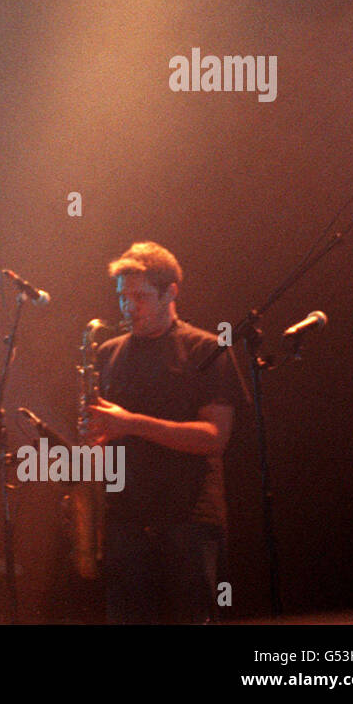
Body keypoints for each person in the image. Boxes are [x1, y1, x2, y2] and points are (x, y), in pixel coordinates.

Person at [82, 241, 248, 623]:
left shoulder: (206, 349)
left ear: (170, 292)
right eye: (123, 297)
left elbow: (214, 438)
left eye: (139, 297)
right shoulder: (107, 353)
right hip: (125, 522)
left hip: (188, 523)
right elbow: (104, 437)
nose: (128, 307)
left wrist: (129, 423)